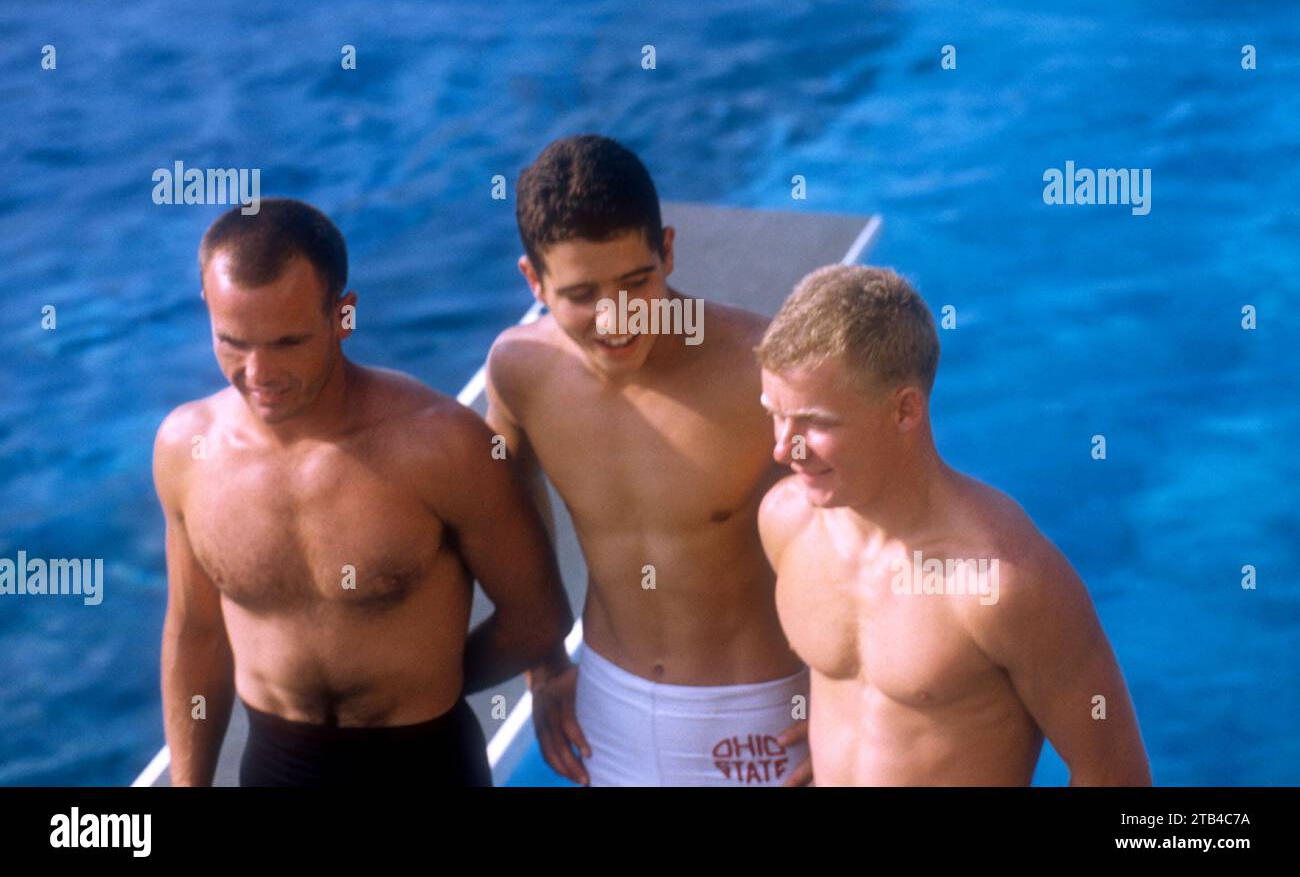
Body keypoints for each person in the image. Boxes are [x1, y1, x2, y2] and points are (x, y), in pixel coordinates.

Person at [155, 198, 570, 786]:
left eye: (287, 342)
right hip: (275, 766)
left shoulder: (442, 447)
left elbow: (538, 615)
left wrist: (438, 678)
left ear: (343, 316)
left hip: (425, 763)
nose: (259, 373)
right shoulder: (185, 450)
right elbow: (194, 632)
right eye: (233, 342)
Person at [486, 135, 810, 787]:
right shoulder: (520, 372)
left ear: (667, 249)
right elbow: (510, 526)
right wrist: (544, 664)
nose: (619, 316)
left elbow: (868, 532)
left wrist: (850, 695)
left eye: (637, 281)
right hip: (610, 711)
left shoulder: (766, 365)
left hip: (763, 716)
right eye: (582, 293)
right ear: (534, 280)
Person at [756, 264, 1152, 785]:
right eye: (776, 416)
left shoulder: (1004, 581)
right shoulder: (786, 522)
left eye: (816, 423)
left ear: (904, 411)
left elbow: (1114, 774)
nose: (784, 449)